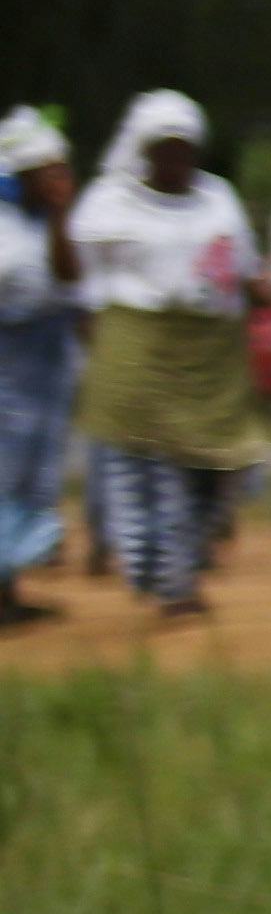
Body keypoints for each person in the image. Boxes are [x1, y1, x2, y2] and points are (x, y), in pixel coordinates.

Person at [68, 91, 271, 620]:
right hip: (140, 348)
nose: (177, 158)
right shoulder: (109, 203)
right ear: (144, 150)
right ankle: (167, 581)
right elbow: (85, 280)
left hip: (210, 354)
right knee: (156, 468)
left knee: (213, 469)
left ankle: (177, 566)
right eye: (165, 147)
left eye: (186, 147)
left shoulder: (218, 198)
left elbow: (247, 269)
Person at [0, 112, 76, 624]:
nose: (56, 180)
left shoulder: (47, 225)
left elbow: (68, 276)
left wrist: (57, 216)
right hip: (10, 357)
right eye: (45, 173)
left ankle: (8, 594)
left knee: (35, 475)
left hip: (49, 356)